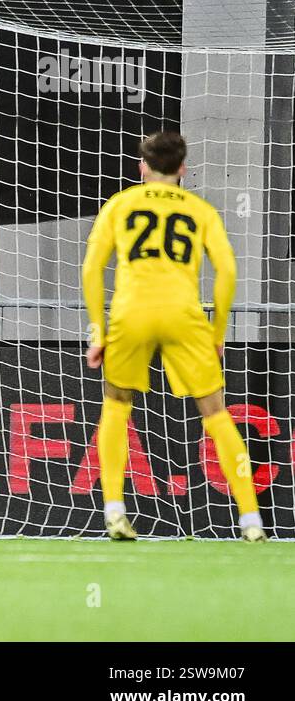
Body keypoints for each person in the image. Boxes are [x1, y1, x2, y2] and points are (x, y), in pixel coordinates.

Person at [82, 131, 265, 542]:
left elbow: (93, 268)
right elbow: (228, 271)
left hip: (132, 314)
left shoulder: (121, 204)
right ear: (183, 169)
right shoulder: (199, 209)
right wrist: (217, 333)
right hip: (184, 315)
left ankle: (114, 510)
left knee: (116, 404)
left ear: (142, 166)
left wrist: (98, 329)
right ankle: (251, 519)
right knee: (216, 413)